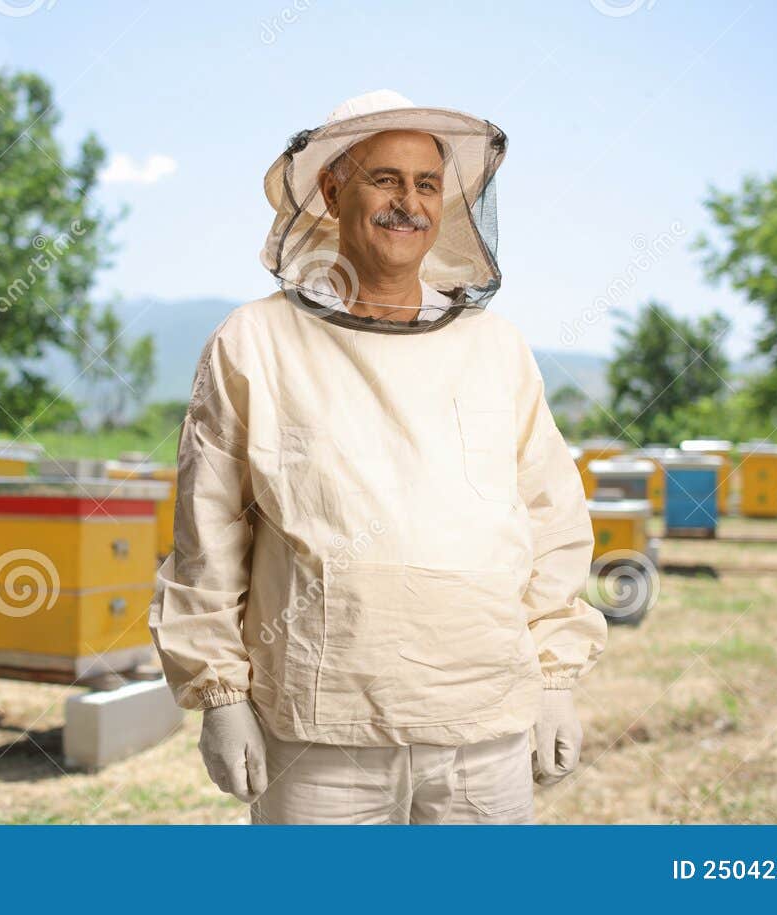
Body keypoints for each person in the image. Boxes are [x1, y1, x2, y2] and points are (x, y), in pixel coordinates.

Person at [148, 90, 607, 825]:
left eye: (427, 184)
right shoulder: (254, 341)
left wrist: (555, 678)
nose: (409, 202)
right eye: (384, 179)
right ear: (332, 189)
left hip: (484, 725)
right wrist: (220, 694)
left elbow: (551, 516)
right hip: (321, 733)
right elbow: (209, 534)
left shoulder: (498, 348)